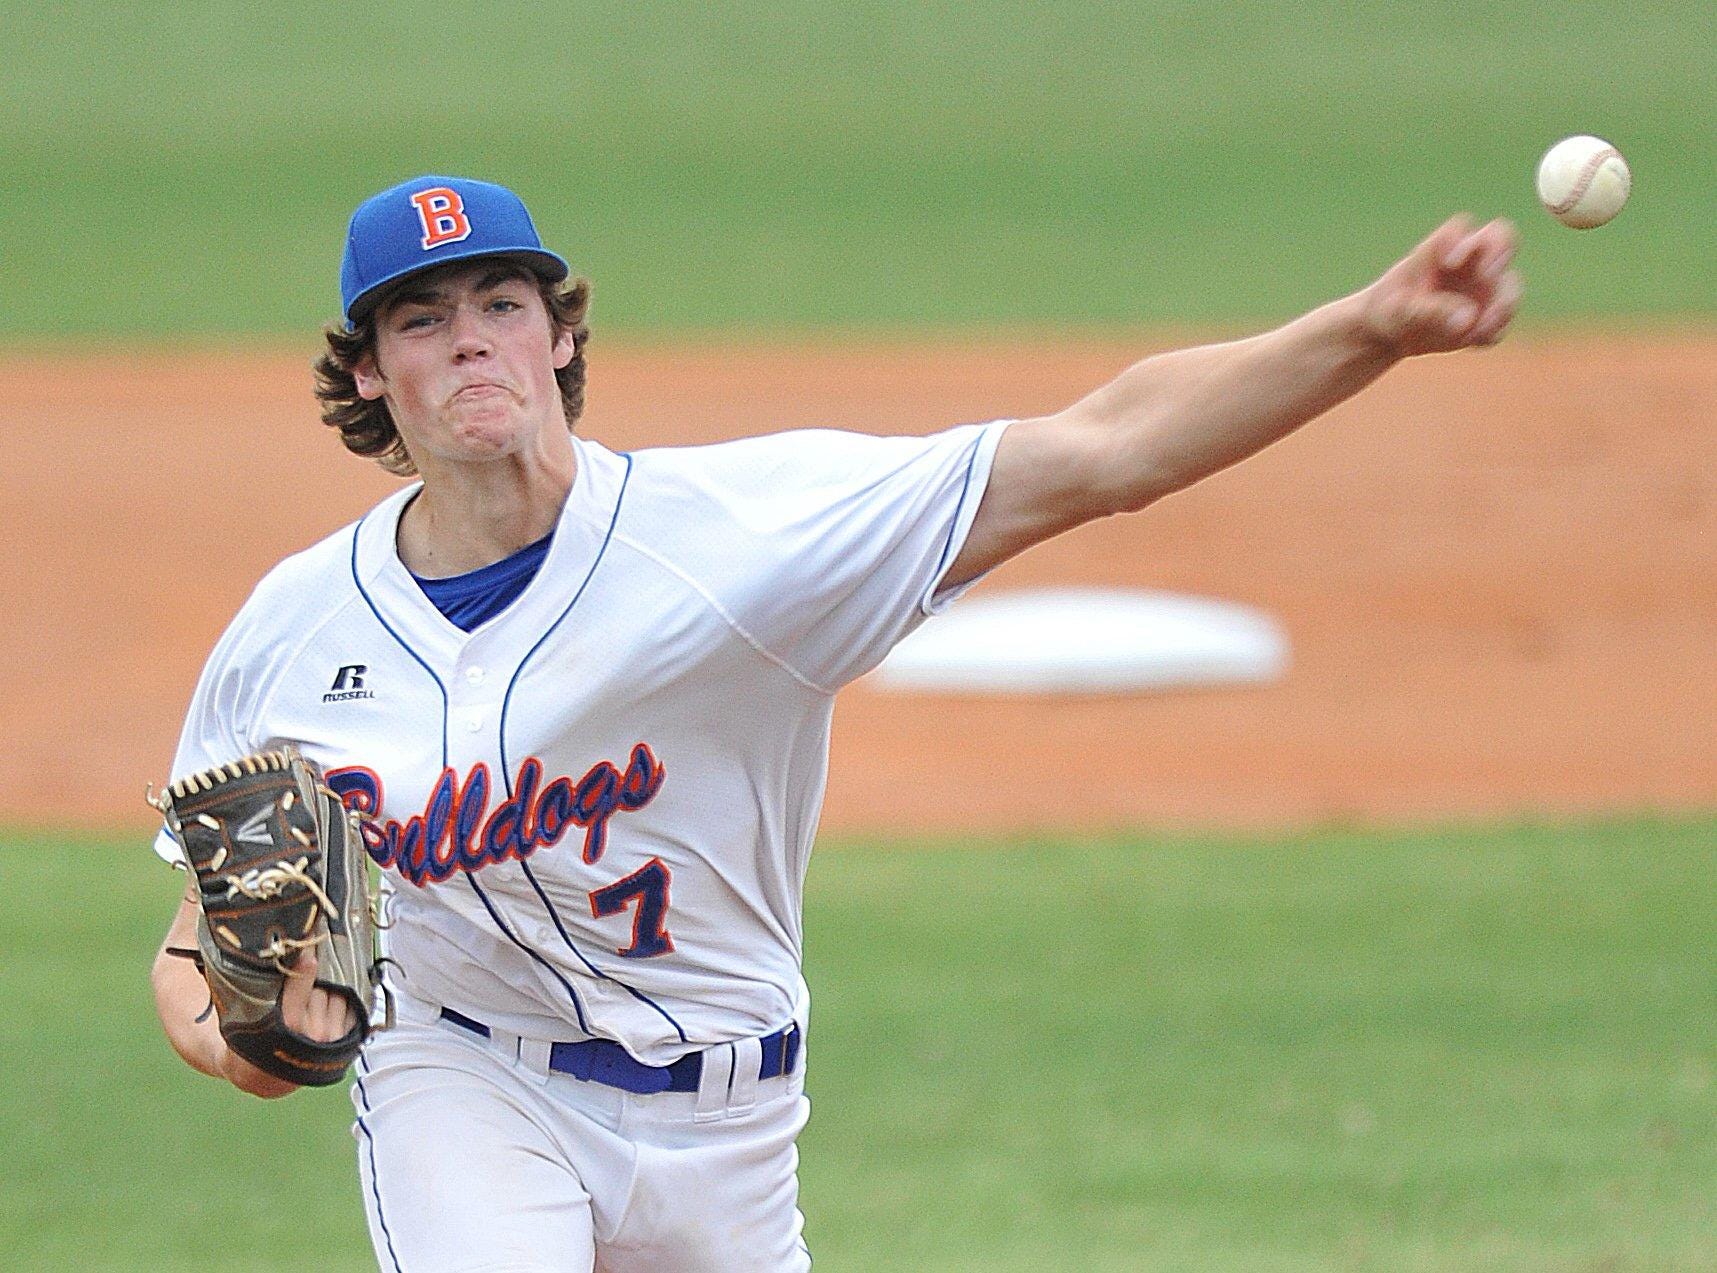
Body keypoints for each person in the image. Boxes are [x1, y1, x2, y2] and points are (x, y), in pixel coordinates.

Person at [150, 174, 1520, 1271]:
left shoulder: (742, 541)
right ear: (370, 375)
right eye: (419, 319)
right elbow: (188, 939)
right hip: (462, 1076)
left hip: (730, 1113)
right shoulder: (293, 630)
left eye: (499, 301)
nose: (466, 341)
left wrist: (1368, 330)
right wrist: (234, 1041)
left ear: (560, 334)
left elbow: (1108, 450)